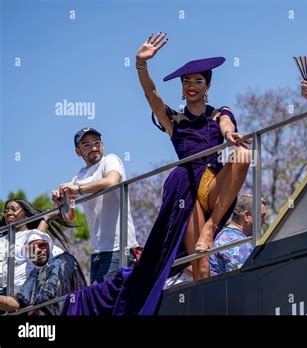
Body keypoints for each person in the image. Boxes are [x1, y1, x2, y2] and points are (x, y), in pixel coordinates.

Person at [62, 33, 251, 316]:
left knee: (244, 154)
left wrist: (229, 135)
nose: (191, 86)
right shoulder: (174, 120)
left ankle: (212, 226)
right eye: (187, 81)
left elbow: (226, 123)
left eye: (198, 81)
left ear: (208, 86)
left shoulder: (219, 113)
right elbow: (151, 95)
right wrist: (141, 65)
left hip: (215, 187)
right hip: (187, 188)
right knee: (201, 265)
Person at [51, 128, 140, 284]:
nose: (93, 148)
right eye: (86, 145)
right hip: (98, 251)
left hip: (120, 246)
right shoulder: (79, 176)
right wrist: (61, 201)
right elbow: (69, 216)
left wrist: (78, 189)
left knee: (104, 300)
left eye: (96, 143)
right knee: (98, 301)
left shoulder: (110, 160)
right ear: (78, 152)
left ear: (103, 145)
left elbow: (111, 181)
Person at [0, 231, 86, 315]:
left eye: (42, 246)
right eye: (33, 249)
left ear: (49, 247)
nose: (38, 251)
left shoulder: (63, 261)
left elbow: (47, 295)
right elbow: (18, 302)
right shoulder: (35, 275)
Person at [0, 199, 69, 294]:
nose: (9, 213)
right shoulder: (2, 240)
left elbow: (38, 259)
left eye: (14, 209)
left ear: (26, 214)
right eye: (6, 211)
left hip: (23, 291)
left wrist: (46, 219)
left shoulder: (33, 235)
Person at [210, 195, 267, 276]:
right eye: (262, 216)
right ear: (246, 216)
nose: (264, 221)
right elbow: (247, 278)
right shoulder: (239, 243)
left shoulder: (223, 235)